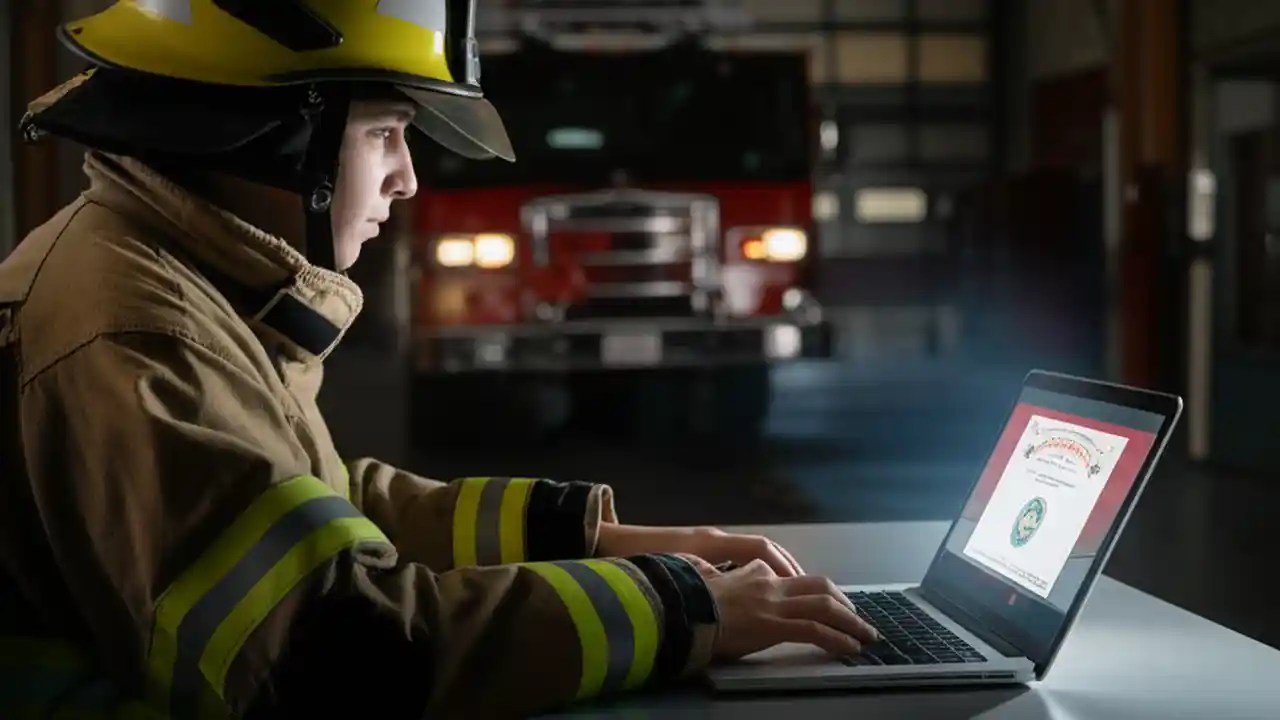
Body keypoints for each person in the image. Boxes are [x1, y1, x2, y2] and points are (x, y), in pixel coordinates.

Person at [0, 2, 876, 717]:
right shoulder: (143, 336)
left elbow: (321, 507)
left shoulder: (171, 282)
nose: (408, 179)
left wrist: (601, 539)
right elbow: (335, 653)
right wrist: (683, 609)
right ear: (271, 134)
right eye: (385, 133)